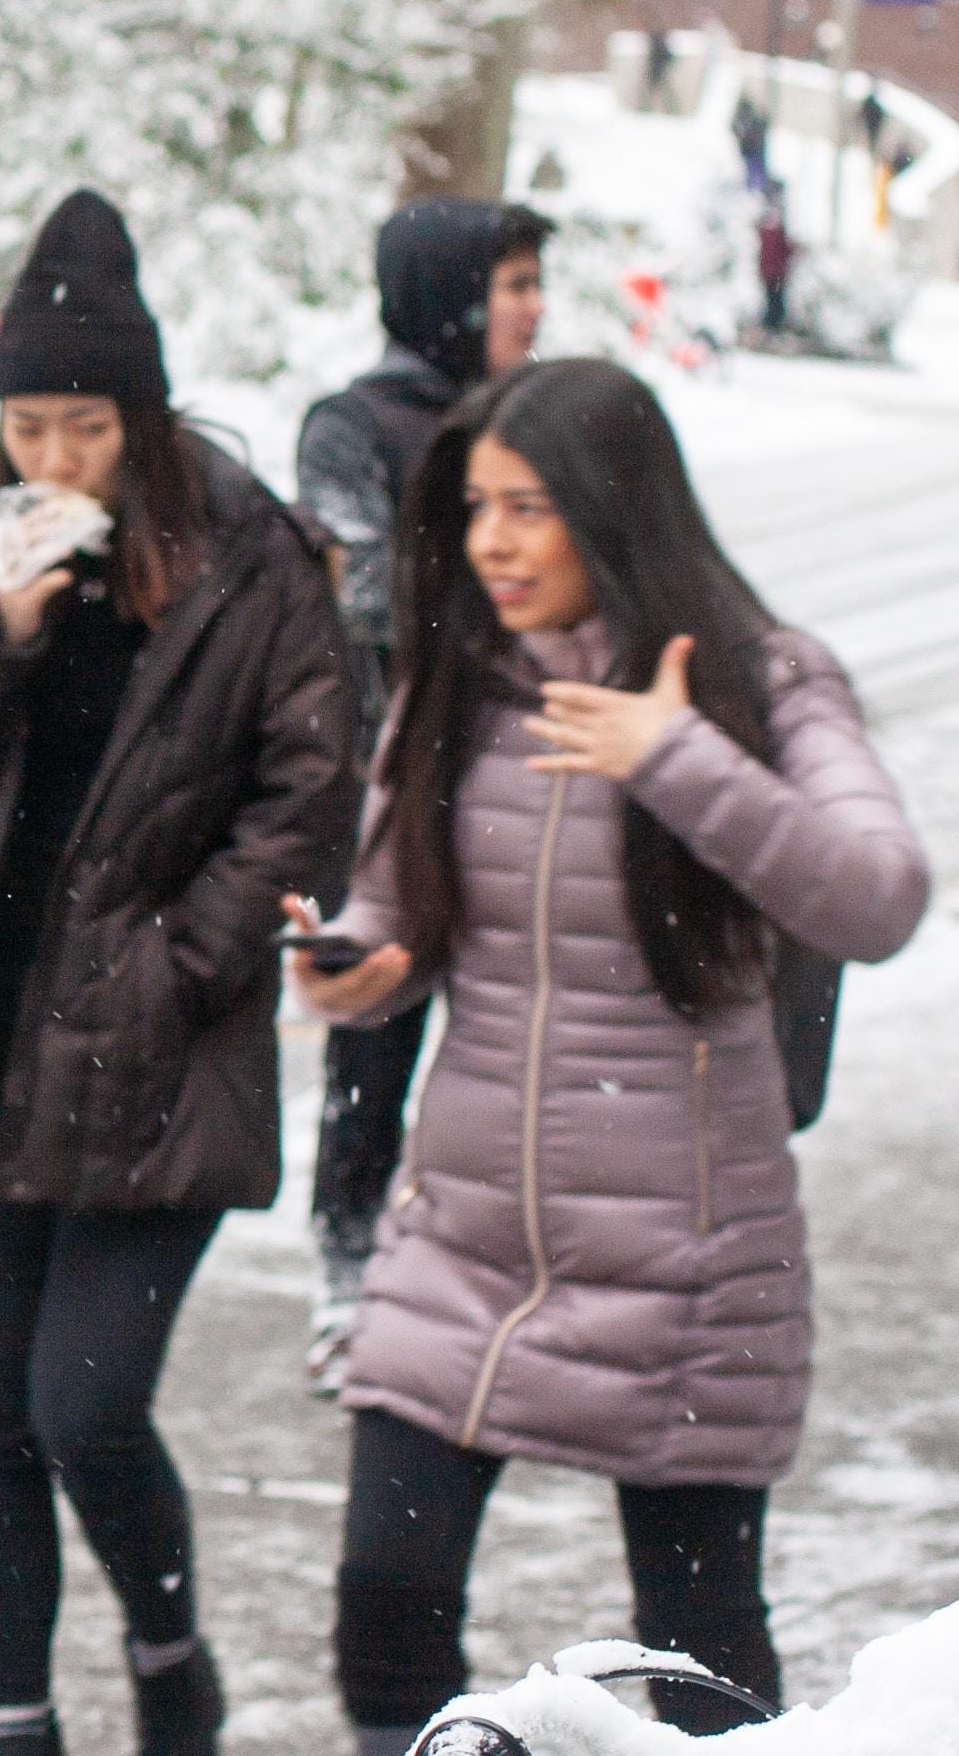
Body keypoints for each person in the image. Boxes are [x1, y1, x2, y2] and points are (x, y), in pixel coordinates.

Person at [294, 357, 929, 1747]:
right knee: (385, 1622)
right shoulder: (464, 684)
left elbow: (878, 898)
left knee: (703, 1674)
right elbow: (398, 905)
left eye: (529, 509)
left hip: (687, 1268)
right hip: (462, 1242)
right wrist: (358, 963)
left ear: (616, 508)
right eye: (474, 509)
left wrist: (677, 757)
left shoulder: (766, 678)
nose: (492, 545)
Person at [0, 190, 359, 1756]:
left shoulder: (246, 556)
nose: (53, 462)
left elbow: (311, 790)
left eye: (84, 426)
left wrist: (182, 960)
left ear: (137, 417)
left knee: (85, 1407)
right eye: (27, 425)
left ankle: (167, 1654)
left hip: (160, 1053)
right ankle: (16, 1729)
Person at [293, 200, 551, 1390]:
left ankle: (508, 1284)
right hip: (394, 792)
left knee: (526, 1055)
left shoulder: (545, 424)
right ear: (446, 294)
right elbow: (360, 601)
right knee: (374, 1052)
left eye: (534, 282)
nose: (532, 306)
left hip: (530, 784)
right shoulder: (355, 428)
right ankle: (349, 1278)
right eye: (510, 283)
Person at [754, 196, 797, 336]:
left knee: (773, 302)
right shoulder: (775, 235)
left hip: (771, 274)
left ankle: (770, 329)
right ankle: (772, 330)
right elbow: (784, 251)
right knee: (775, 303)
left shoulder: (766, 234)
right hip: (775, 274)